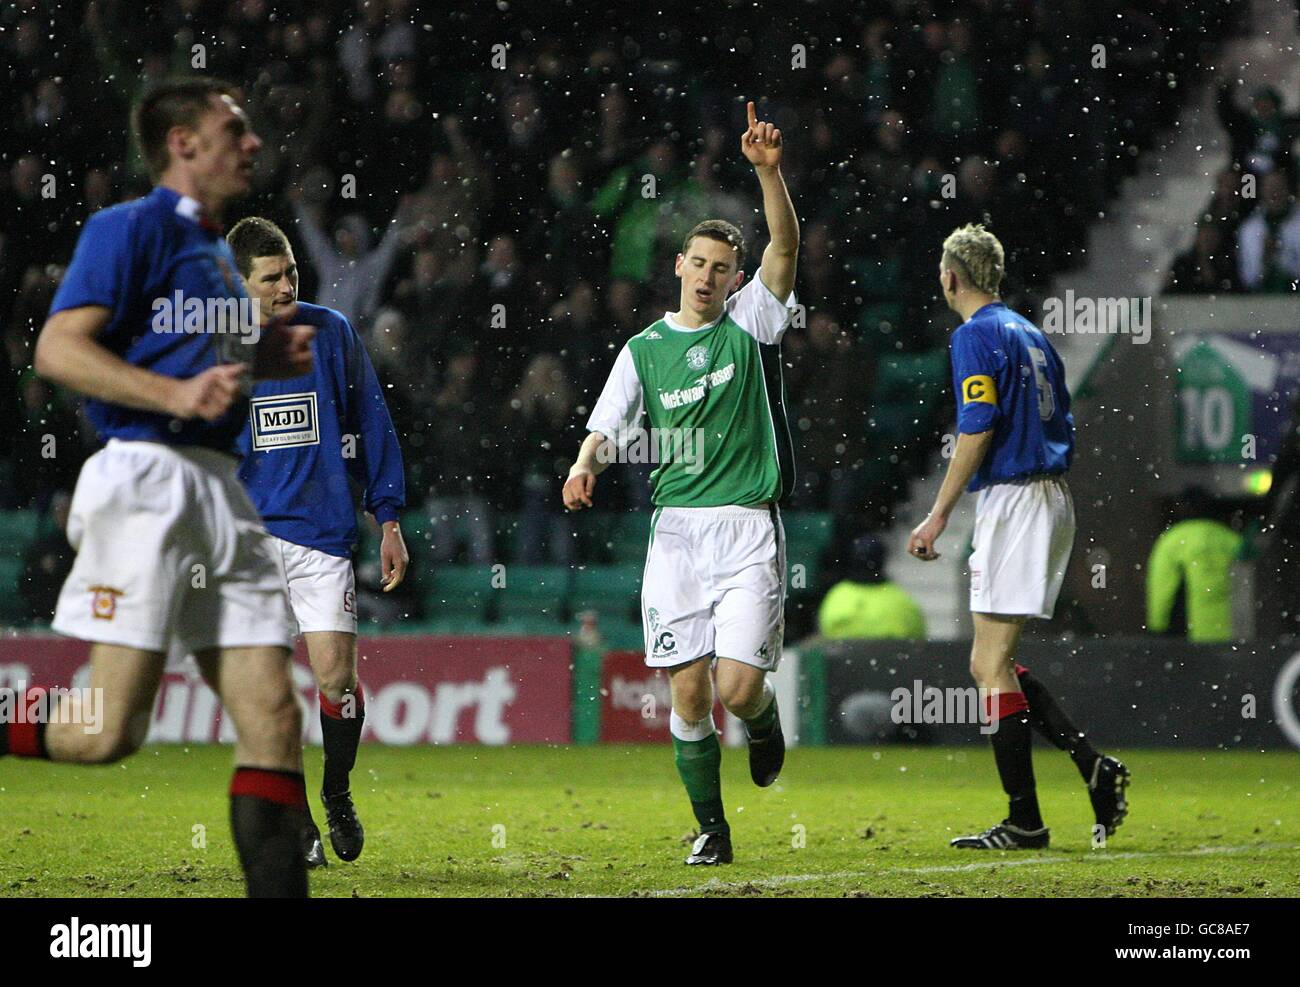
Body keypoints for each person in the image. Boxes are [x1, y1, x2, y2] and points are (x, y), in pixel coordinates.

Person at [8, 78, 316, 897]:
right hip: (147, 476)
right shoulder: (128, 227)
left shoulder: (217, 262)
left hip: (222, 489)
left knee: (277, 721)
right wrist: (177, 395)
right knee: (107, 730)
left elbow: (189, 358)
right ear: (182, 142)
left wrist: (258, 359)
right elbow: (60, 350)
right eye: (234, 128)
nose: (252, 143)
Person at [563, 102, 799, 866]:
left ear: (734, 278)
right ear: (677, 266)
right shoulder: (643, 348)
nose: (707, 275)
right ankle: (712, 828)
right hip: (677, 534)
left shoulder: (752, 324)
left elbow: (786, 248)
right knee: (689, 694)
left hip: (746, 525)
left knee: (735, 690)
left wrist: (768, 174)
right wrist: (583, 464)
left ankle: (763, 723)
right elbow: (606, 422)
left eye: (721, 267)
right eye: (697, 263)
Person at [907, 224, 1129, 850]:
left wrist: (938, 514)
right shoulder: (1031, 334)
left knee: (988, 664)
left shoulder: (974, 336)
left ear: (952, 277)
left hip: (1018, 499)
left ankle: (1026, 819)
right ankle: (1091, 766)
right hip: (1048, 494)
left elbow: (976, 428)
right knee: (991, 662)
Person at [227, 216, 408, 867]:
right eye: (271, 278)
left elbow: (373, 418)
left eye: (291, 274)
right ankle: (300, 825)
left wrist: (386, 516)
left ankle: (336, 789)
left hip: (322, 539)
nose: (285, 286)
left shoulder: (329, 332)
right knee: (271, 700)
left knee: (338, 681)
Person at [1146, 488, 1242, 643]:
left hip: (1188, 636)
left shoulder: (1172, 540)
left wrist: (1157, 626)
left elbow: (1161, 587)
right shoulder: (1229, 538)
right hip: (1230, 633)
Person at [818, 534, 926, 640]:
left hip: (848, 658)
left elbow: (826, 636)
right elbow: (918, 640)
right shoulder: (903, 602)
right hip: (890, 657)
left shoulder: (836, 598)